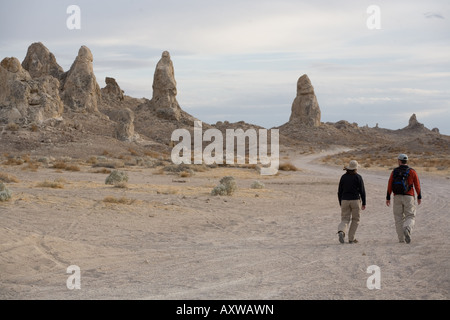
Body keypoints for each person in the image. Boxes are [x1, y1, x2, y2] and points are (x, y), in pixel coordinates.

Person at [386, 154, 422, 243]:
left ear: (399, 161)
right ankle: (407, 228)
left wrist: (388, 197)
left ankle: (401, 239)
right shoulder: (412, 171)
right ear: (407, 161)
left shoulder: (394, 171)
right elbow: (417, 185)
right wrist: (419, 196)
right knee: (410, 215)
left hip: (397, 196)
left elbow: (390, 184)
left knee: (398, 218)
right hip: (409, 196)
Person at [337, 160, 366, 244]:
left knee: (345, 219)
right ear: (356, 168)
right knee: (355, 219)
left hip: (344, 200)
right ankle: (351, 238)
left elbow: (339, 191)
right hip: (355, 200)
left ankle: (341, 231)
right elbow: (362, 191)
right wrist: (364, 202)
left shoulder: (343, 177)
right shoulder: (358, 177)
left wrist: (340, 202)